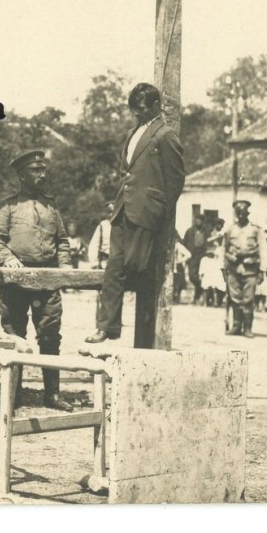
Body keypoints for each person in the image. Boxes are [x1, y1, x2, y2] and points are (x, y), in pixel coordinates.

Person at [85, 83, 185, 345]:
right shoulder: (133, 133)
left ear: (155, 106)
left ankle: (147, 335)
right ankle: (106, 326)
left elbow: (175, 180)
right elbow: (126, 172)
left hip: (147, 213)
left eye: (142, 109)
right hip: (122, 210)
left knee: (138, 269)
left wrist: (161, 215)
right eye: (134, 110)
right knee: (113, 268)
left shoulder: (165, 135)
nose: (137, 114)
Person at [0, 147, 74, 409]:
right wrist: (6, 257)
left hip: (47, 280)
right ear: (22, 175)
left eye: (43, 169)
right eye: (36, 171)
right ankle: (12, 396)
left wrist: (65, 267)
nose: (42, 174)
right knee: (15, 335)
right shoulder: (7, 206)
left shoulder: (52, 205)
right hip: (16, 280)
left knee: (50, 336)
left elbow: (62, 241)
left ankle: (52, 395)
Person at [222, 198, 267, 338]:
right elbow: (224, 249)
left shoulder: (255, 230)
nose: (241, 215)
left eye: (244, 213)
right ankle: (236, 326)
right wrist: (223, 269)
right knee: (235, 298)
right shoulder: (230, 230)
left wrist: (262, 270)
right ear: (236, 214)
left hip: (250, 269)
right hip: (234, 269)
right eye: (238, 213)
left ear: (248, 213)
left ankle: (247, 327)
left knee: (248, 299)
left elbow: (263, 250)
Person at [182, 219, 207, 304]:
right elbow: (184, 243)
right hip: (192, 256)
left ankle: (197, 296)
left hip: (202, 256)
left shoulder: (205, 231)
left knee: (200, 276)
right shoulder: (189, 231)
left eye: (200, 220)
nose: (198, 222)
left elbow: (208, 243)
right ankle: (200, 288)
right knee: (192, 276)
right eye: (197, 220)